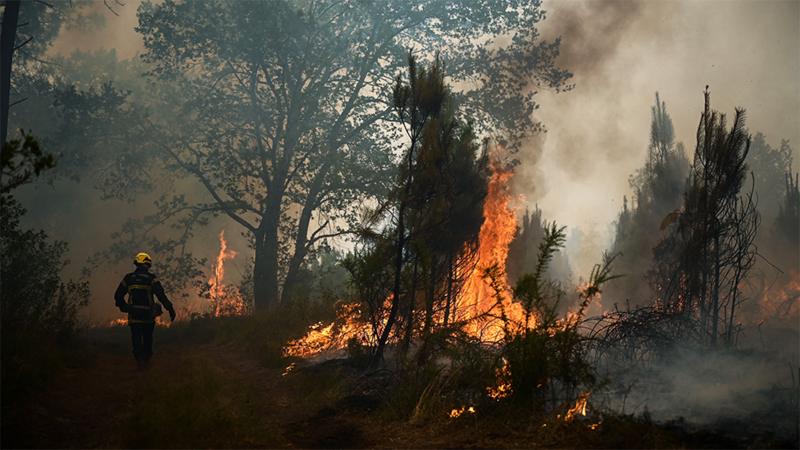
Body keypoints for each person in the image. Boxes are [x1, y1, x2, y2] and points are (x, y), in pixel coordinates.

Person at [114, 252, 176, 367]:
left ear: (137, 264)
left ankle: (139, 360)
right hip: (148, 315)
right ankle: (146, 359)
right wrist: (170, 308)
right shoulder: (151, 279)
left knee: (136, 337)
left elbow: (118, 295)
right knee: (148, 338)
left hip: (134, 315)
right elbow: (161, 295)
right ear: (148, 265)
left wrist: (124, 307)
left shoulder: (129, 278)